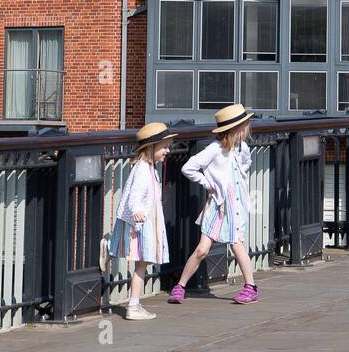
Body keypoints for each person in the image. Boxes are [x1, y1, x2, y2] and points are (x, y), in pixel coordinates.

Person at [169, 103, 260, 305]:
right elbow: (189, 168)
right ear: (235, 129)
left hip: (236, 205)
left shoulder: (242, 148)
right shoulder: (214, 150)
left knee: (236, 244)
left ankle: (250, 287)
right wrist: (207, 183)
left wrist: (240, 178)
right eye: (244, 126)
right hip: (218, 204)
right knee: (202, 249)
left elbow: (246, 164)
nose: (247, 130)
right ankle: (180, 286)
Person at [107, 122, 176, 320]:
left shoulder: (150, 169)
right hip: (142, 224)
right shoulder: (143, 169)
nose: (167, 151)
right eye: (164, 147)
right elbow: (135, 194)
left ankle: (134, 304)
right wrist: (137, 209)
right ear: (151, 147)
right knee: (141, 263)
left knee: (142, 263)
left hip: (147, 221)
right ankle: (133, 306)